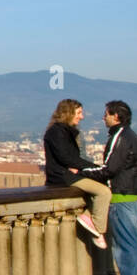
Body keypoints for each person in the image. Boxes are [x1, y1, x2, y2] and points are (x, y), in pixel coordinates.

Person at [79, 100, 137, 275]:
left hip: (121, 196)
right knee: (133, 245)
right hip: (131, 196)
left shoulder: (121, 138)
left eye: (106, 114)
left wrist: (82, 173)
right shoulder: (132, 136)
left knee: (125, 246)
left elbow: (109, 169)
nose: (103, 117)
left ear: (116, 116)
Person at [43, 99, 111, 249]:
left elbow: (71, 158)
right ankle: (99, 230)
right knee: (104, 192)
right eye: (79, 112)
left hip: (67, 175)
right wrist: (95, 168)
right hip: (63, 177)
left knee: (102, 185)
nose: (82, 117)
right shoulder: (57, 132)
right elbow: (67, 158)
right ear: (68, 113)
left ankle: (88, 217)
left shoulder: (62, 131)